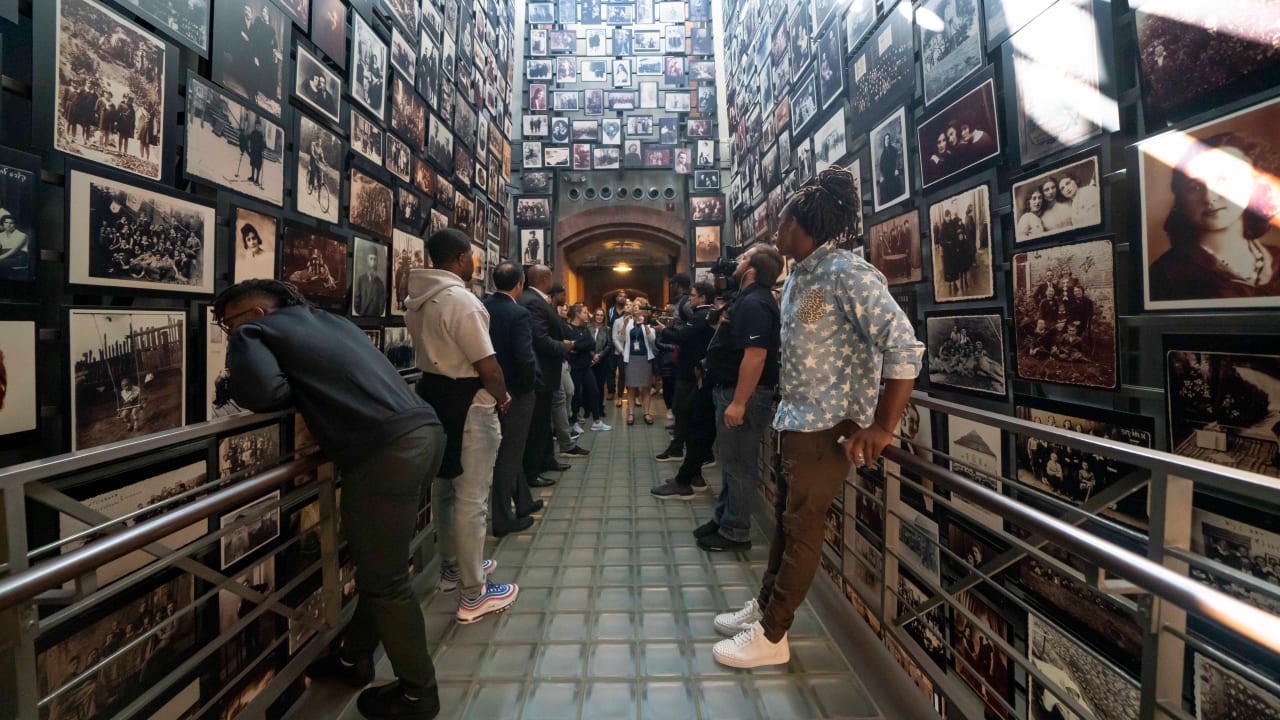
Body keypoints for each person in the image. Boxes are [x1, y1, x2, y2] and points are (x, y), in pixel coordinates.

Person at [711, 167, 923, 669]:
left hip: (828, 427)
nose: (775, 230)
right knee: (787, 523)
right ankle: (766, 607)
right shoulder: (802, 276)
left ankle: (773, 636)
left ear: (800, 224)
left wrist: (882, 427)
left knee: (802, 528)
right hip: (797, 421)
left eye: (782, 221)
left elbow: (903, 345)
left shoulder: (847, 273)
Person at [214, 279, 445, 719]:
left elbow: (263, 392)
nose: (230, 332)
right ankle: (352, 658)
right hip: (424, 433)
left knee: (384, 580)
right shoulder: (332, 322)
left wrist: (292, 381)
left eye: (229, 323)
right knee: (383, 568)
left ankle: (419, 693)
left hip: (384, 452)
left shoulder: (257, 330)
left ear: (255, 314)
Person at [403, 229, 517, 623]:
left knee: (445, 488)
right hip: (469, 401)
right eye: (473, 257)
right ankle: (474, 593)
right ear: (460, 258)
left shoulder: (417, 299)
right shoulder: (461, 300)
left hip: (434, 395)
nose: (475, 264)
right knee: (472, 497)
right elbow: (487, 364)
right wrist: (502, 397)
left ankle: (453, 569)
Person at [694, 245, 783, 553]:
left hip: (744, 393)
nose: (737, 261)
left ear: (752, 271)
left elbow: (756, 355)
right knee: (731, 462)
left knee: (740, 465)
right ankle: (724, 518)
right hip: (731, 388)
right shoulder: (747, 298)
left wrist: (739, 402)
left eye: (744, 258)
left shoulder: (756, 303)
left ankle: (735, 531)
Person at [1149, 132, 1280, 302]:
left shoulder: (1277, 258)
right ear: (1181, 199)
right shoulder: (1166, 274)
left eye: (1222, 179)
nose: (1209, 197)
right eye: (1194, 187)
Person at [485, 262, 543, 536]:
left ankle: (523, 501)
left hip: (491, 388)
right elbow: (525, 357)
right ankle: (502, 518)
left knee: (510, 448)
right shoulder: (519, 313)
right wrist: (529, 386)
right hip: (517, 392)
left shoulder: (484, 306)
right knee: (510, 452)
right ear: (520, 283)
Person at [652, 281, 718, 497]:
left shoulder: (702, 316)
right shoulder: (704, 315)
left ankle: (689, 475)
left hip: (692, 375)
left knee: (687, 417)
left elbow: (682, 336)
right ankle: (694, 475)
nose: (690, 298)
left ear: (703, 298)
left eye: (693, 295)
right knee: (690, 420)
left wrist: (664, 330)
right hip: (694, 373)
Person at [520, 265, 571, 489]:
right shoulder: (532, 301)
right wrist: (563, 346)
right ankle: (534, 470)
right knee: (538, 424)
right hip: (541, 372)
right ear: (544, 279)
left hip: (548, 373)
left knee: (544, 421)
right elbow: (539, 339)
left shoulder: (539, 299)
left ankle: (547, 459)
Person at [566, 303, 610, 431]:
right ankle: (574, 422)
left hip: (586, 367)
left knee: (594, 391)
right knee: (576, 395)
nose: (588, 315)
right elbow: (570, 347)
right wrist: (578, 346)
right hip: (575, 367)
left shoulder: (584, 328)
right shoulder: (568, 329)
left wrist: (576, 345)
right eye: (585, 312)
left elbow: (591, 344)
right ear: (578, 314)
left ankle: (596, 421)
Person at [614, 299, 658, 425]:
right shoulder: (628, 321)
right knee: (631, 388)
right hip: (631, 359)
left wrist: (644, 325)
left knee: (646, 388)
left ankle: (647, 413)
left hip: (645, 359)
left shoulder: (648, 322)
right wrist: (624, 324)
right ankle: (631, 414)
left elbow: (652, 340)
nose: (636, 308)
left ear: (643, 309)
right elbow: (620, 338)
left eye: (639, 306)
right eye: (634, 306)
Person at [605, 292, 629, 402]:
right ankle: (611, 391)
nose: (622, 298)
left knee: (623, 370)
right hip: (611, 343)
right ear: (616, 298)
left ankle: (623, 392)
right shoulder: (610, 311)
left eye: (624, 297)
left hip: (623, 344)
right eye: (620, 296)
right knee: (611, 369)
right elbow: (607, 325)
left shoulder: (627, 312)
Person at [353, 251, 387, 317]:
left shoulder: (380, 283)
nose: (373, 262)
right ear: (367, 260)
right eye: (371, 259)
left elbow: (381, 304)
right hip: (362, 316)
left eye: (374, 259)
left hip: (375, 317)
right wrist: (361, 312)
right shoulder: (361, 280)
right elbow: (357, 300)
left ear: (376, 262)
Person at [0, 211, 31, 280]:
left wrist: (0, 258)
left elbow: (14, 250)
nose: (8, 225)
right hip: (4, 255)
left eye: (11, 223)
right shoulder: (1, 235)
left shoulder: (22, 235)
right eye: (6, 222)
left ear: (15, 225)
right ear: (2, 224)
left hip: (19, 257)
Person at [877, 131, 903, 201]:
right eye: (886, 139)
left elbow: (897, 160)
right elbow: (881, 166)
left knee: (896, 184)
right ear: (884, 141)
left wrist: (896, 169)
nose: (887, 140)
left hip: (893, 173)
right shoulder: (883, 153)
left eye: (888, 139)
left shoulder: (893, 150)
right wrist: (882, 176)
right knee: (883, 187)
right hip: (886, 175)